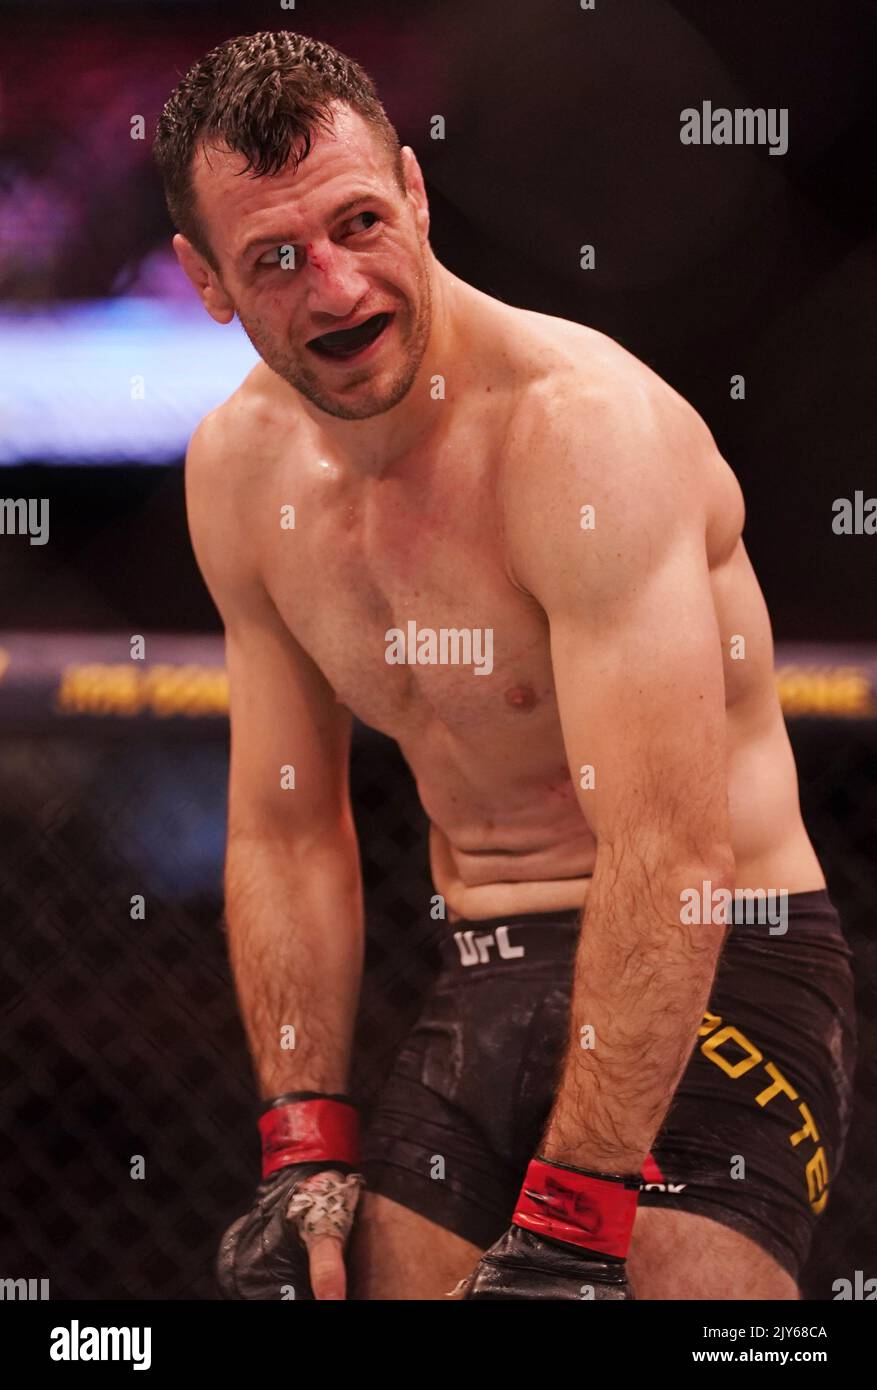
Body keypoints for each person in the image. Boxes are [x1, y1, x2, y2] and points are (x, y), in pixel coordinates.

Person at [154, 30, 857, 1300]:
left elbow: (670, 848)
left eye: (361, 222)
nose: (336, 287)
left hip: (719, 959)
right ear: (205, 280)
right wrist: (299, 1141)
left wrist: (580, 1215)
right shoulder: (239, 474)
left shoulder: (579, 434)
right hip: (484, 966)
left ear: (416, 195)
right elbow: (283, 828)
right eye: (276, 258)